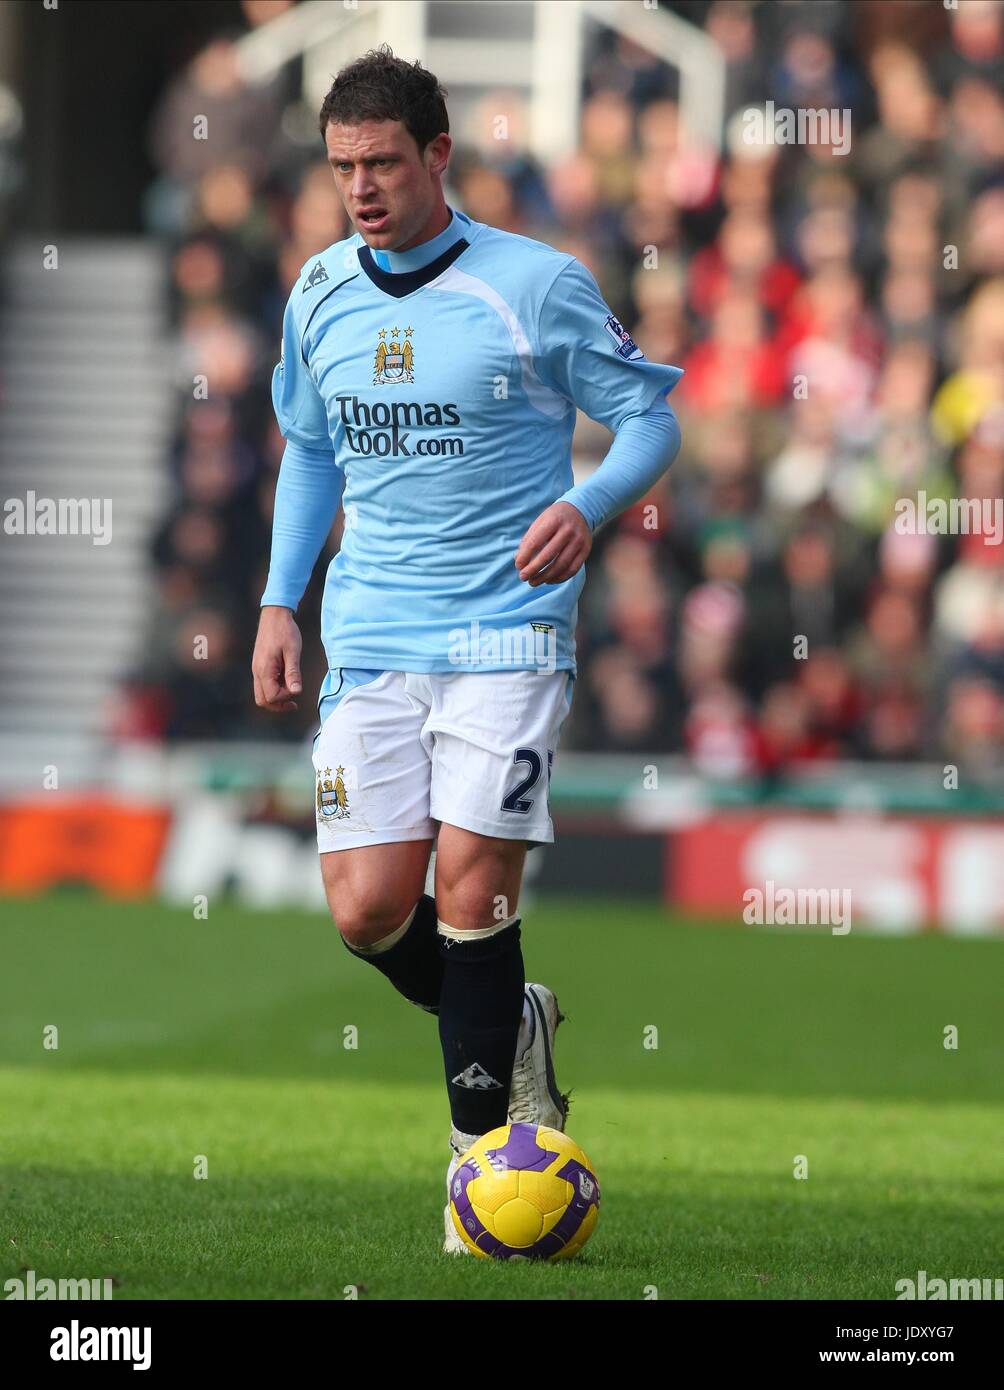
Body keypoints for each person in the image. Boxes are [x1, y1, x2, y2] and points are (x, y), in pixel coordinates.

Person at [251, 45, 682, 1254]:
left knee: (471, 893)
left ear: (438, 155)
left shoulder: (533, 283)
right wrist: (282, 599)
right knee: (368, 913)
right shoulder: (318, 291)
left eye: (383, 161)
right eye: (342, 166)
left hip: (504, 630)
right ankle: (514, 1022)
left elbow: (649, 415)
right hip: (371, 634)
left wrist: (587, 509)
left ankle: (482, 1171)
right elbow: (311, 452)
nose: (361, 187)